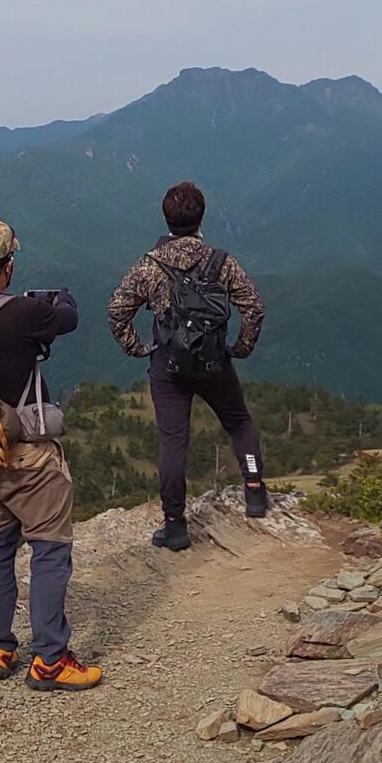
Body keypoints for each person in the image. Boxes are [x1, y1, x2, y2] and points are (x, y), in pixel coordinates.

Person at [0, 218, 102, 692]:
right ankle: (51, 660)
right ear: (9, 265)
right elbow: (69, 318)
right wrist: (61, 298)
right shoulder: (23, 313)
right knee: (50, 549)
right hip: (27, 456)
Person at [106, 181, 270, 551]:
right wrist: (240, 348)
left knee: (173, 444)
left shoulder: (150, 265)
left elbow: (116, 311)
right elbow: (254, 307)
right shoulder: (221, 262)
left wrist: (138, 347)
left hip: (169, 366)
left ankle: (175, 525)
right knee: (239, 422)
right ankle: (254, 490)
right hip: (214, 362)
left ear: (166, 218)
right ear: (201, 218)